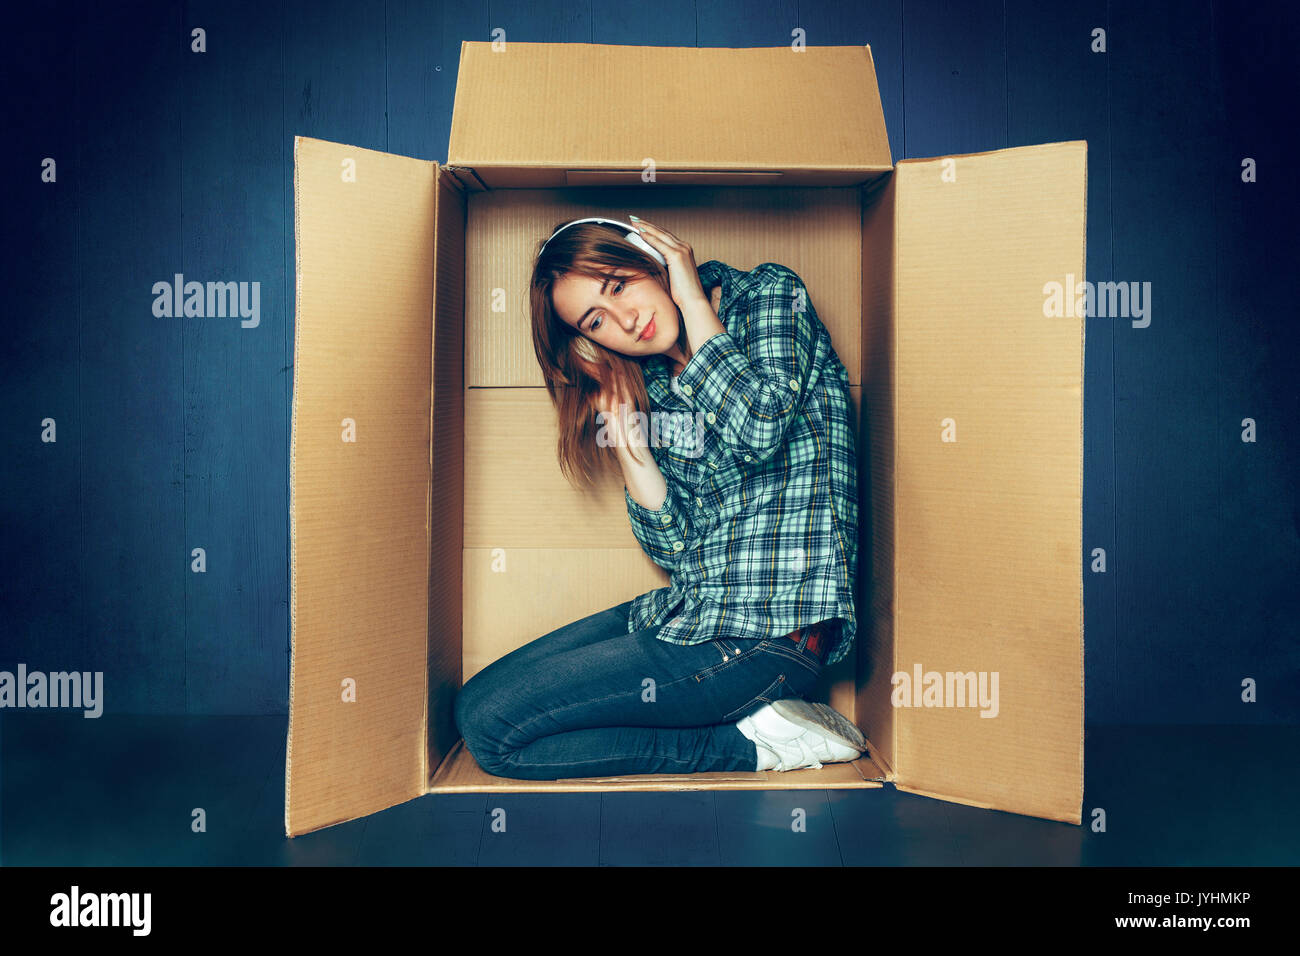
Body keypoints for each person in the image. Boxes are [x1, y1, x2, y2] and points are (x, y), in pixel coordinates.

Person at [453, 215, 867, 778]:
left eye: (618, 284)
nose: (626, 319)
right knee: (474, 708)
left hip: (769, 638)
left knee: (493, 732)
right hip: (691, 612)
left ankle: (755, 747)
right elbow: (673, 549)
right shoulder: (651, 386)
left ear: (653, 259)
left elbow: (760, 425)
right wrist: (629, 444)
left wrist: (693, 298)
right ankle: (756, 722)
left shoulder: (767, 294)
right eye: (596, 319)